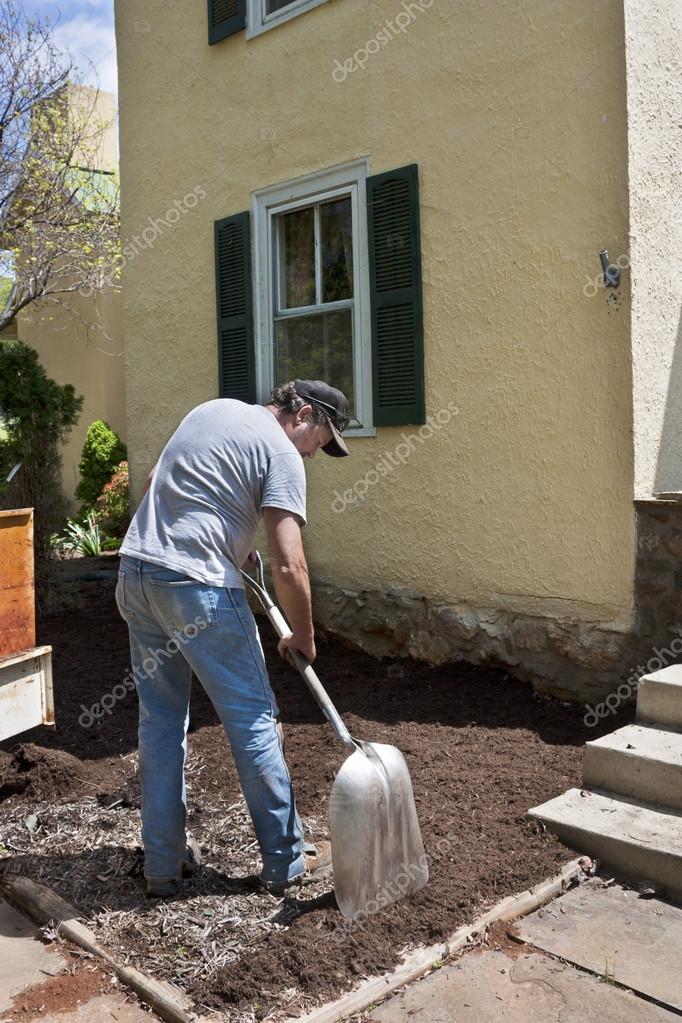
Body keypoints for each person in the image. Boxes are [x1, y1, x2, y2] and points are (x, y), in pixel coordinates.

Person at [115, 379, 350, 898]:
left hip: (137, 572)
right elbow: (289, 563)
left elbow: (160, 482)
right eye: (319, 439)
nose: (314, 453)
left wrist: (225, 538)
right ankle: (286, 863)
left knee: (160, 720)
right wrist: (304, 634)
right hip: (196, 587)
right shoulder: (280, 450)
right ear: (302, 413)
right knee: (253, 719)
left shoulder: (211, 410)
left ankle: (162, 865)